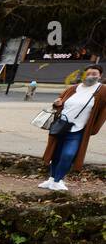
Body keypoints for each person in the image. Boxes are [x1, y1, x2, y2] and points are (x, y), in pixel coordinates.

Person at [39, 63, 105, 192]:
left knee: (68, 155)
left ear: (100, 76)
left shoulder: (102, 90)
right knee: (55, 154)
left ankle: (58, 180)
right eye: (89, 73)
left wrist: (94, 128)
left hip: (78, 130)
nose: (91, 76)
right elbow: (60, 102)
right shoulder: (73, 88)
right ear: (84, 74)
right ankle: (52, 180)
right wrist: (57, 103)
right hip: (61, 126)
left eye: (94, 74)